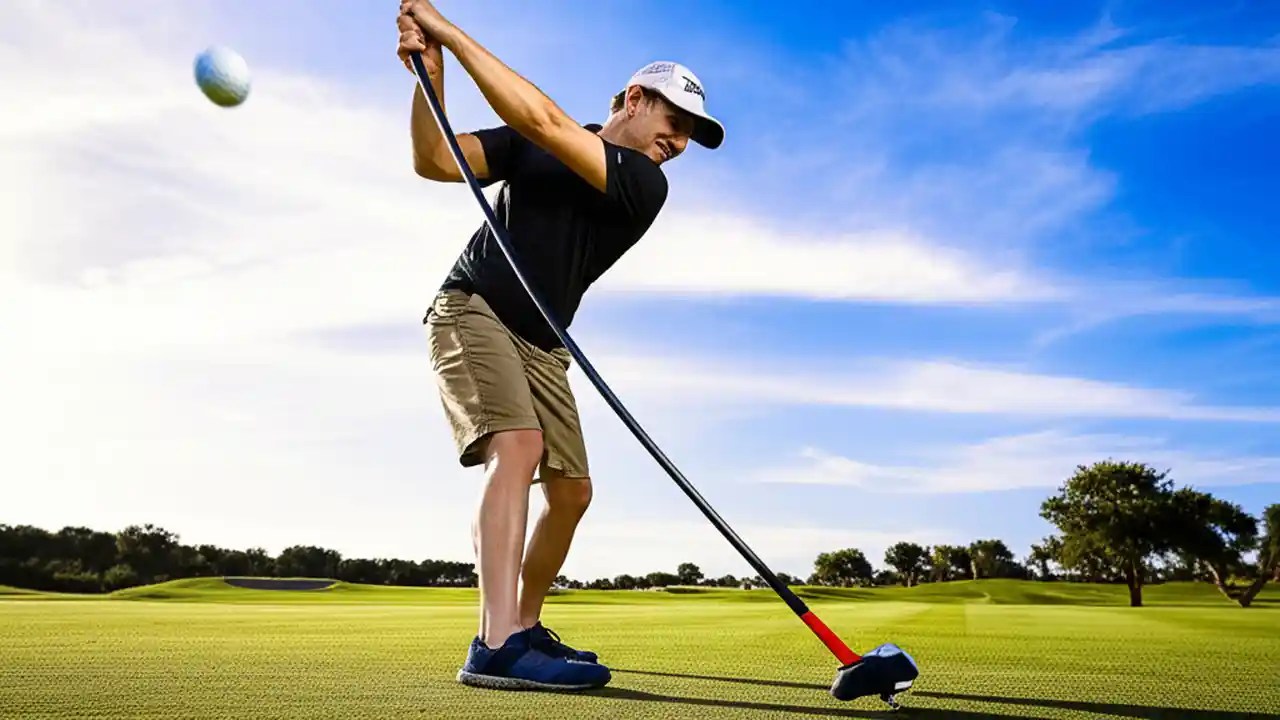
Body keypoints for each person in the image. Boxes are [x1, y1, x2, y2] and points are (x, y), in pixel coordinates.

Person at [397, 0, 724, 692]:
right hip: (475, 308)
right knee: (517, 447)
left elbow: (542, 121)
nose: (680, 143)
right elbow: (435, 159)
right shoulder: (534, 140)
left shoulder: (644, 181)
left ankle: (525, 622)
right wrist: (432, 79)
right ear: (634, 99)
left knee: (571, 491)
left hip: (544, 344)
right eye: (675, 123)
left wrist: (450, 34)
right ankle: (497, 642)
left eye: (691, 135)